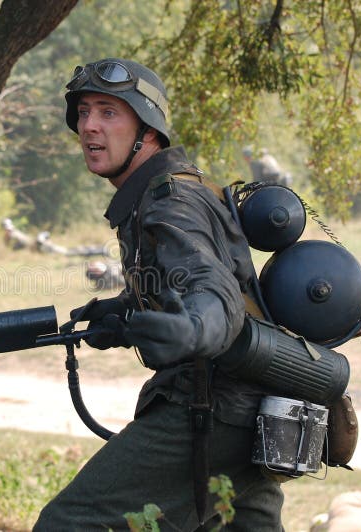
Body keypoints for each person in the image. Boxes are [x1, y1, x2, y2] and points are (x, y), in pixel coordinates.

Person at [34, 59, 284, 530]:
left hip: (215, 407)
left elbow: (214, 293)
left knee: (68, 523)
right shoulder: (160, 191)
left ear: (148, 130)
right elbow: (178, 282)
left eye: (109, 112)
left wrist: (191, 330)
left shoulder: (172, 200)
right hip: (252, 408)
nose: (89, 125)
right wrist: (125, 315)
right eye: (84, 111)